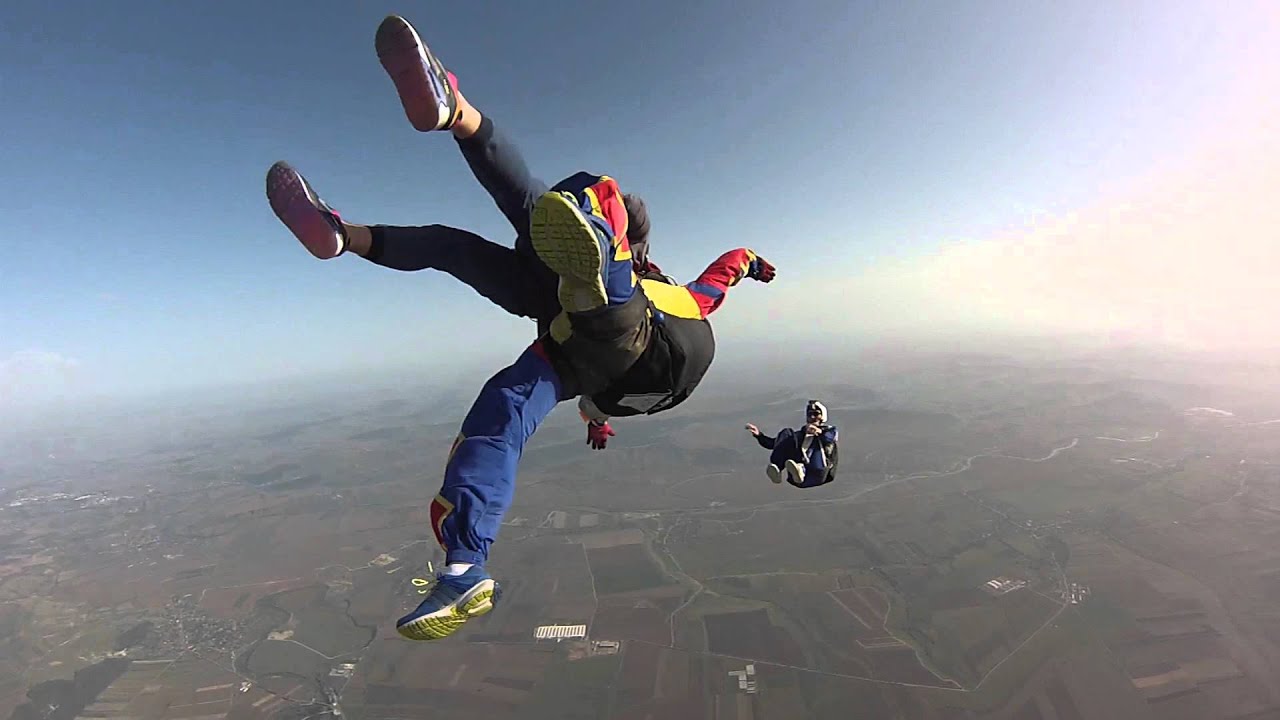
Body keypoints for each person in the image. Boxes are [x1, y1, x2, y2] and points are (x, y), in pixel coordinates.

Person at [264, 14, 778, 641]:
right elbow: (719, 281)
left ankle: (455, 126)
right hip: (590, 343)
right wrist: (749, 263)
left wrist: (747, 261)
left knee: (567, 203)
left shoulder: (652, 291)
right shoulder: (681, 303)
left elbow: (715, 277)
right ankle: (463, 569)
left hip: (607, 331)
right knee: (498, 389)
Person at [746, 400, 838, 488]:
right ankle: (777, 468)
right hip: (798, 479)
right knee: (786, 434)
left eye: (816, 414)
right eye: (810, 414)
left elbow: (829, 438)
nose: (813, 417)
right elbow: (774, 444)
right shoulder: (799, 436)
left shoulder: (829, 431)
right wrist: (759, 435)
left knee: (816, 442)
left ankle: (800, 470)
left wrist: (818, 431)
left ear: (822, 416)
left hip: (818, 472)